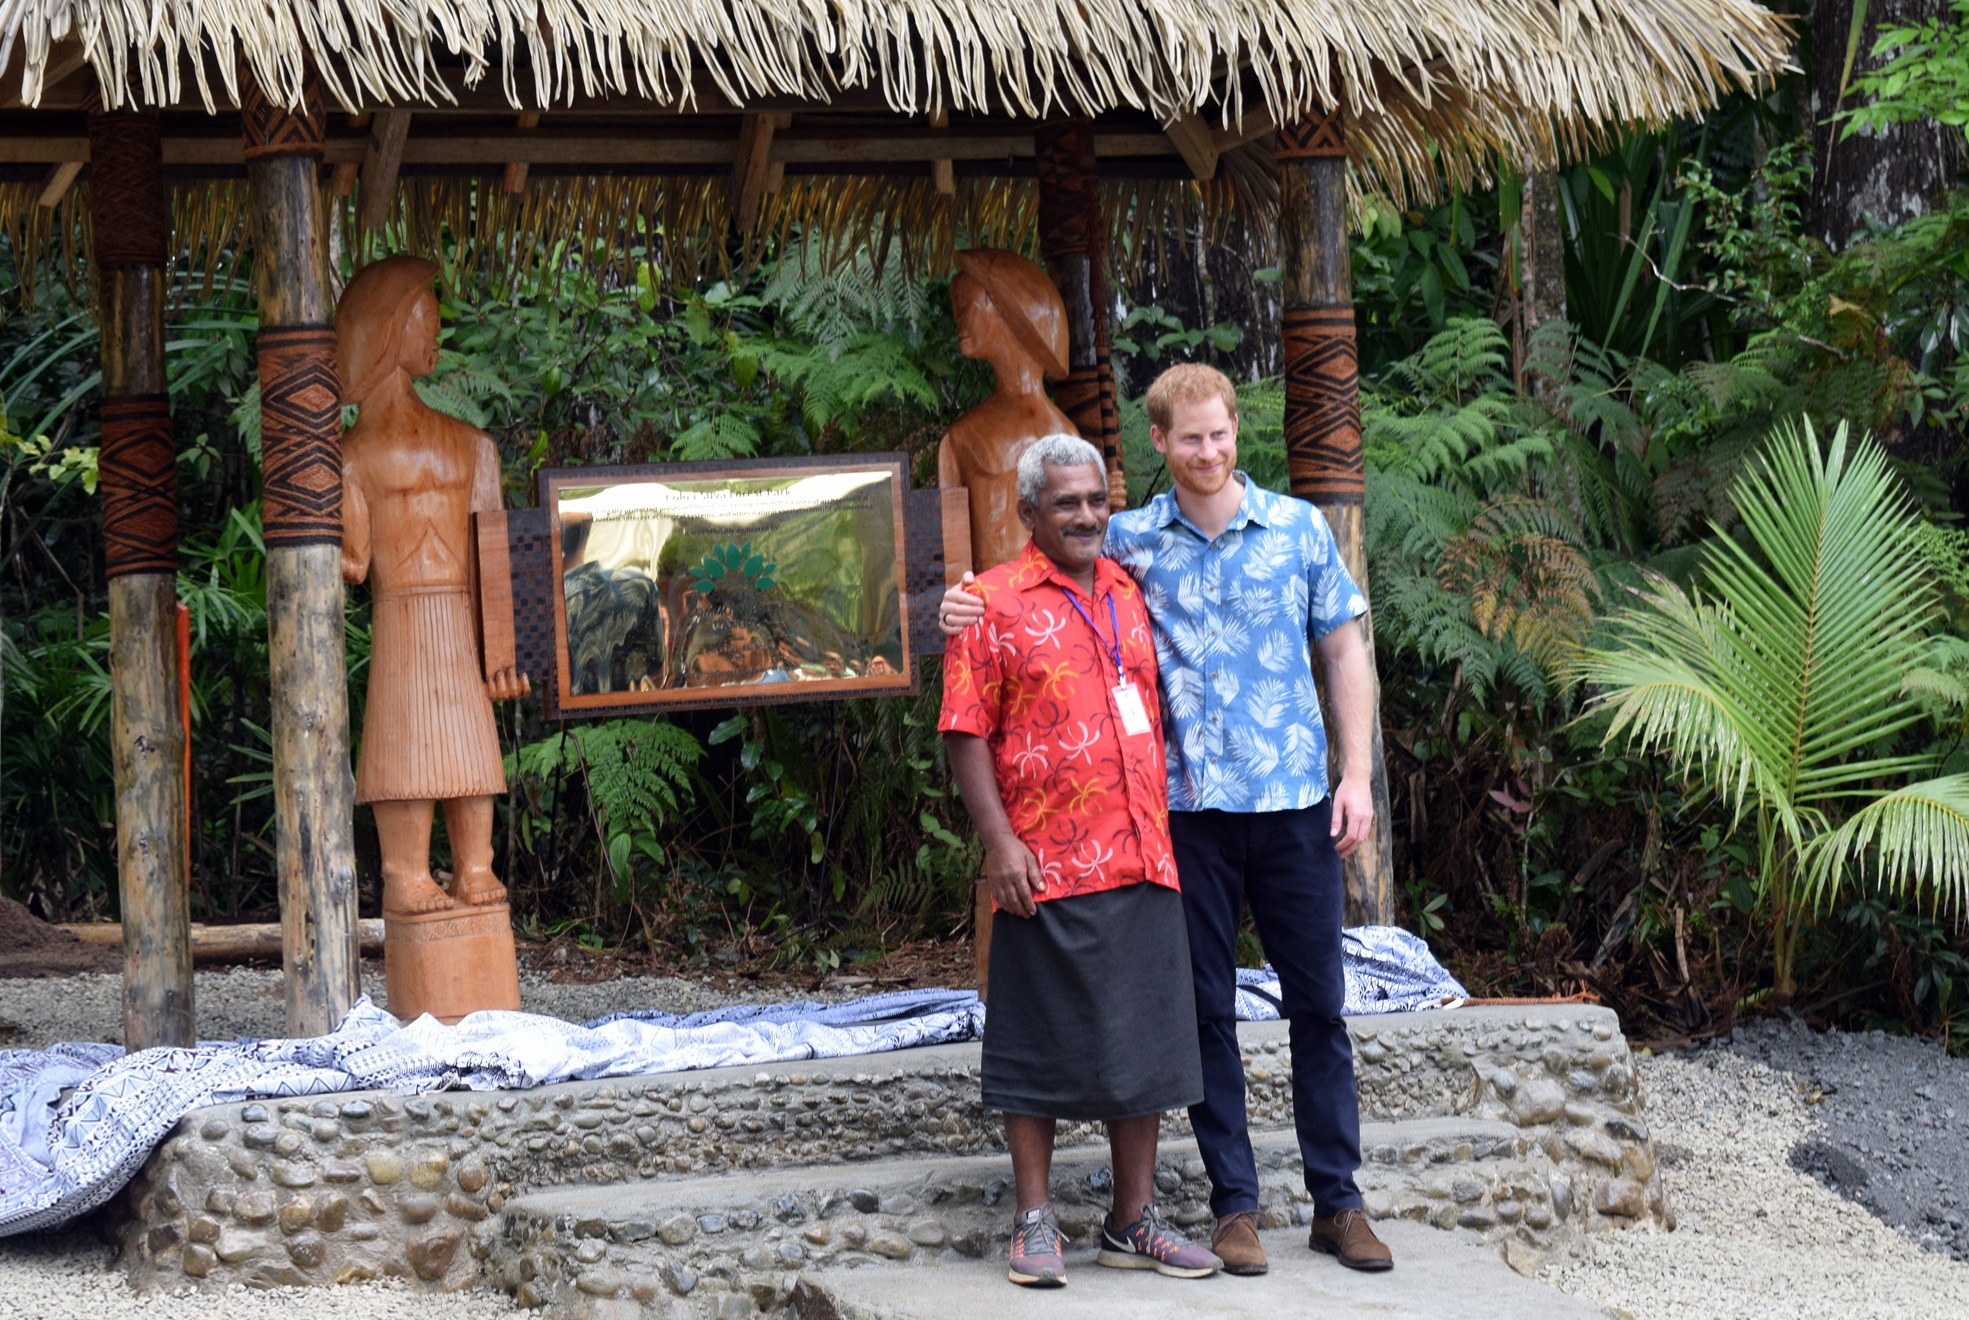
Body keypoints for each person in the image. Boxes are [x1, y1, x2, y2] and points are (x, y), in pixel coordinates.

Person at [938, 364, 1392, 1274]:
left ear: (1236, 431)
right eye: (1189, 438)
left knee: (1319, 1007)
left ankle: (1337, 1203)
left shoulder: (1298, 530)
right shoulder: (1131, 539)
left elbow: (1345, 648)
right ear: (1161, 443)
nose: (1208, 451)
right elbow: (1027, 573)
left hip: (1295, 802)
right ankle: (1235, 1207)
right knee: (1204, 1013)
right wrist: (961, 598)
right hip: (1187, 818)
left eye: (1219, 434)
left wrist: (1356, 775)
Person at [940, 433, 1222, 1289]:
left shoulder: (1131, 592)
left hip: (1143, 852)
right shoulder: (987, 602)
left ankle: (1131, 1221)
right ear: (1028, 512)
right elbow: (964, 733)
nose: (1086, 515)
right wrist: (998, 844)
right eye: (1065, 503)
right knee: (1034, 1047)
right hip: (1043, 862)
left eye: (1096, 500)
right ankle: (1033, 1221)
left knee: (1145, 1047)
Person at [339, 256, 530, 917]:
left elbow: (493, 554)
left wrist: (501, 651)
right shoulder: (350, 456)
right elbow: (353, 563)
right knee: (400, 738)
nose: (437, 329)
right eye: (426, 316)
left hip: (457, 611)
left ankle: (475, 864)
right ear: (389, 330)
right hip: (400, 613)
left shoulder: (472, 447)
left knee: (471, 743)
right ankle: (405, 871)